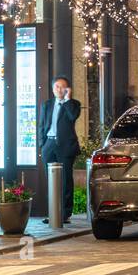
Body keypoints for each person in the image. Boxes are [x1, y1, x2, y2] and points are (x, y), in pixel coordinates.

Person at [39, 77, 82, 223]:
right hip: (49, 145)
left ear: (67, 89)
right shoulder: (47, 104)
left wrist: (68, 100)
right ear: (52, 89)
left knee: (65, 180)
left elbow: (72, 117)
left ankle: (64, 214)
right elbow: (41, 125)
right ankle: (52, 213)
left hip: (66, 146)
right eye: (57, 87)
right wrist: (41, 144)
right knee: (50, 180)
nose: (59, 89)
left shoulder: (74, 104)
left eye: (63, 87)